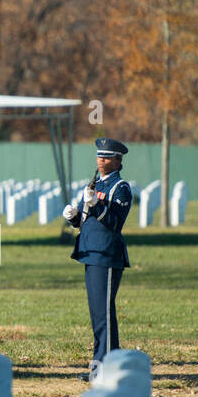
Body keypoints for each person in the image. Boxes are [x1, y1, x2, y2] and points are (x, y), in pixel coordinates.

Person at [62, 137, 133, 380]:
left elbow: (114, 222)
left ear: (117, 160)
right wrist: (73, 217)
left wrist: (97, 206)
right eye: (99, 156)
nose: (101, 160)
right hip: (90, 252)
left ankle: (105, 367)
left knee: (103, 314)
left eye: (106, 156)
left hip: (106, 254)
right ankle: (101, 366)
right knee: (97, 314)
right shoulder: (93, 185)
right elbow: (84, 221)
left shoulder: (120, 188)